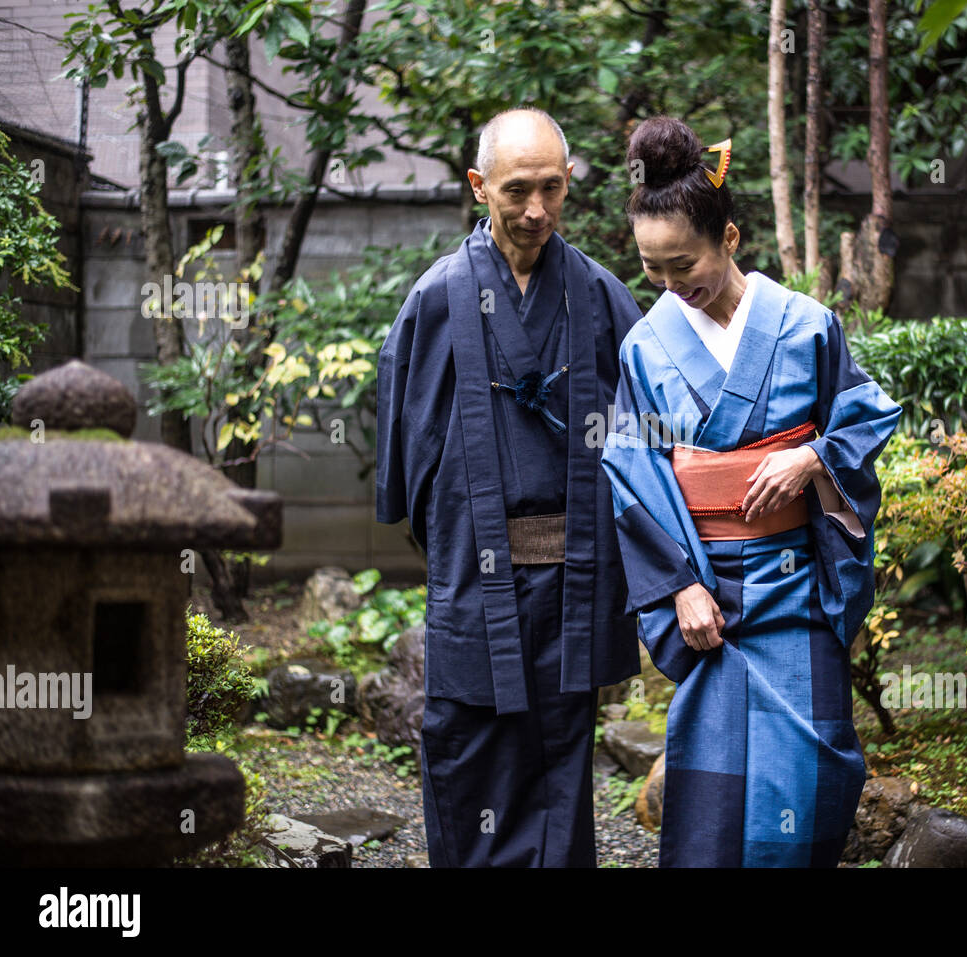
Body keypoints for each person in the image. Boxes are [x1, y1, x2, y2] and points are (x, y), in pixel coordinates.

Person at [600, 116, 902, 867]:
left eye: (684, 264)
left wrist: (810, 457)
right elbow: (630, 470)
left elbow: (861, 419)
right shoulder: (646, 344)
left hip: (798, 596)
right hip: (709, 605)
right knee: (713, 800)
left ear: (729, 238)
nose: (672, 286)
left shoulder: (804, 327)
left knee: (814, 781)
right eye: (653, 270)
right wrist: (676, 588)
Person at [375, 107, 642, 867]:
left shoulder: (599, 296)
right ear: (477, 186)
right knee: (468, 744)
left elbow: (646, 439)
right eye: (517, 189)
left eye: (552, 189)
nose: (535, 210)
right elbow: (407, 458)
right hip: (476, 576)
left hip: (574, 582)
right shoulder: (436, 300)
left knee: (559, 761)